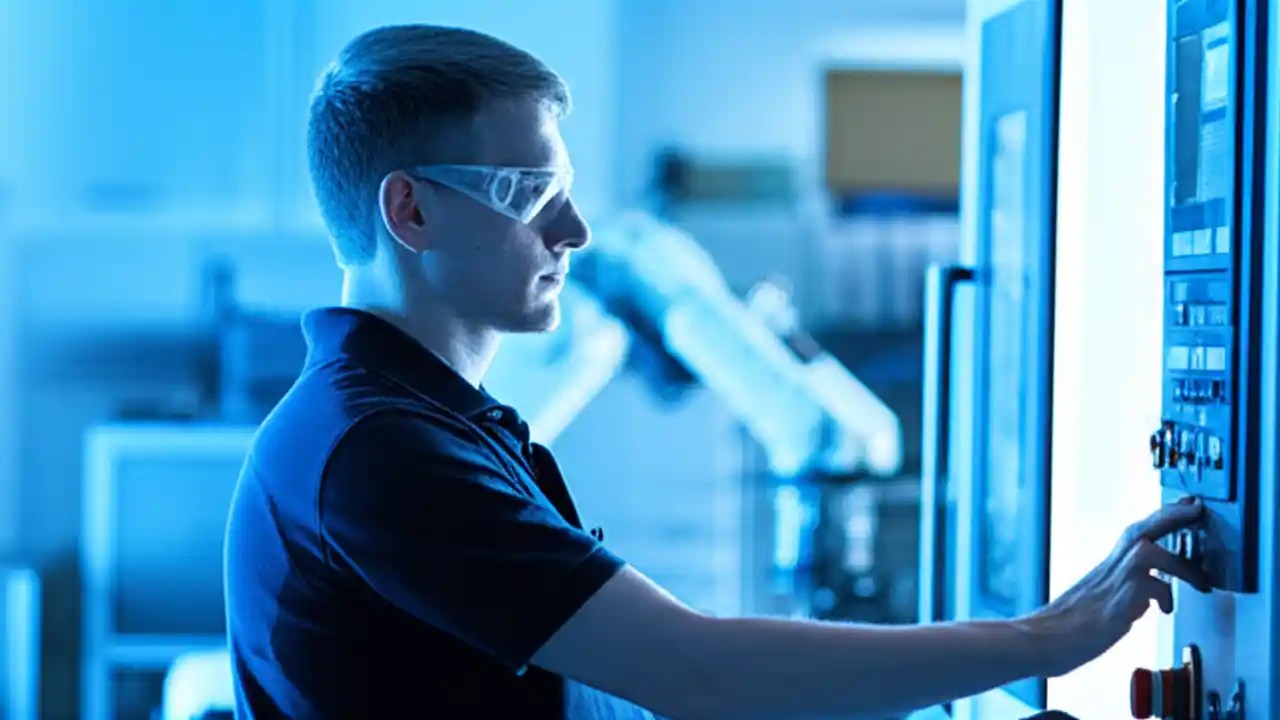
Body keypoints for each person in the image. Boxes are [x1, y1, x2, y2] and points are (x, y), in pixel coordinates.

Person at [222, 23, 1214, 720]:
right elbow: (690, 671)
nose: (572, 230)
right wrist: (1043, 638)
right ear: (410, 212)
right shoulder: (376, 453)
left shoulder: (412, 421)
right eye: (531, 193)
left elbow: (631, 684)